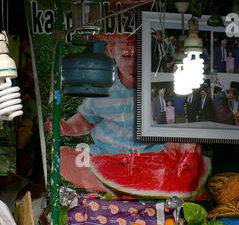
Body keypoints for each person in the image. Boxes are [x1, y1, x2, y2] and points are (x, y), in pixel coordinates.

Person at [57, 33, 203, 193]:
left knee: (190, 152)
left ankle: (126, 187)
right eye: (126, 56)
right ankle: (109, 186)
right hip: (105, 156)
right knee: (63, 157)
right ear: (111, 51)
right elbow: (86, 119)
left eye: (140, 57)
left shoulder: (159, 85)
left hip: (151, 160)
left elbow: (176, 119)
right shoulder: (103, 86)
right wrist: (68, 127)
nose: (133, 64)